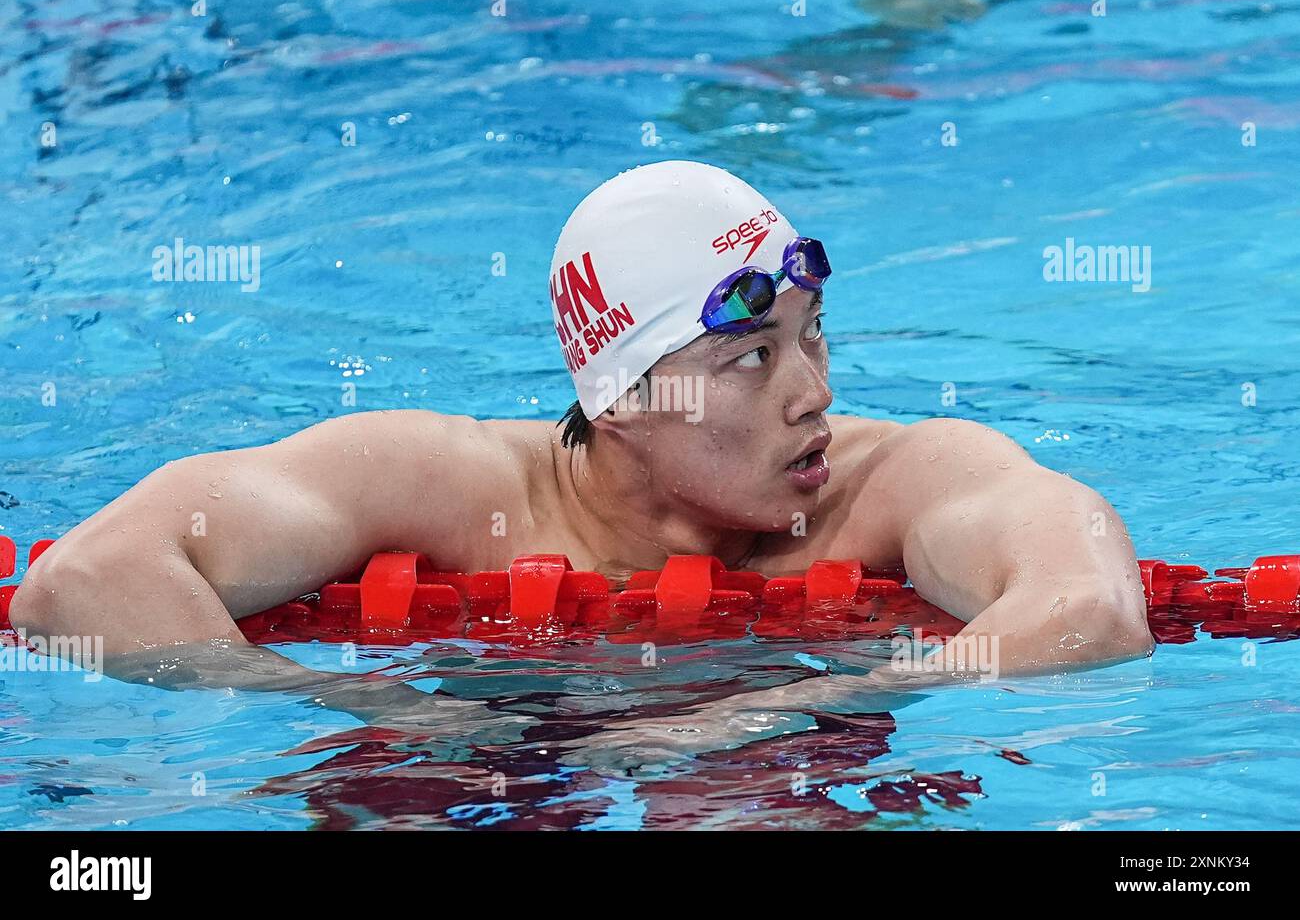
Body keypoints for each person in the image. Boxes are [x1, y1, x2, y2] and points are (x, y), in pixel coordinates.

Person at [10, 160, 1153, 749]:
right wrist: (342, 703)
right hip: (487, 724)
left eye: (813, 337)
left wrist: (809, 698)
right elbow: (84, 578)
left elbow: (1090, 608)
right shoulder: (446, 482)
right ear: (616, 395)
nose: (817, 392)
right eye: (752, 359)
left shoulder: (897, 479)